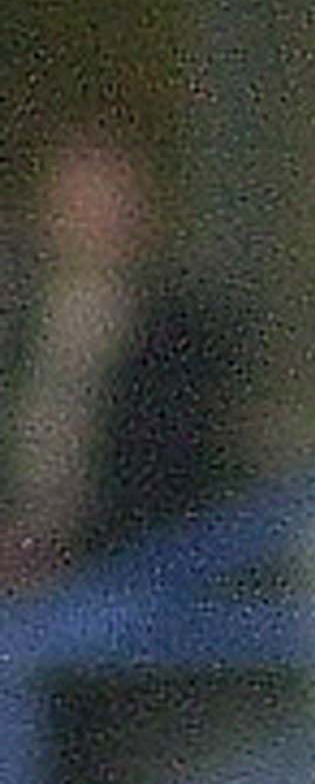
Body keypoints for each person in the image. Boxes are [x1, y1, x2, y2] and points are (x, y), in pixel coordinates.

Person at [0, 106, 245, 593]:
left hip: (123, 578)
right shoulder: (16, 327)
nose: (96, 220)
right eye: (78, 200)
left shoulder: (188, 339)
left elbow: (177, 476)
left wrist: (61, 547)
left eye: (111, 200)